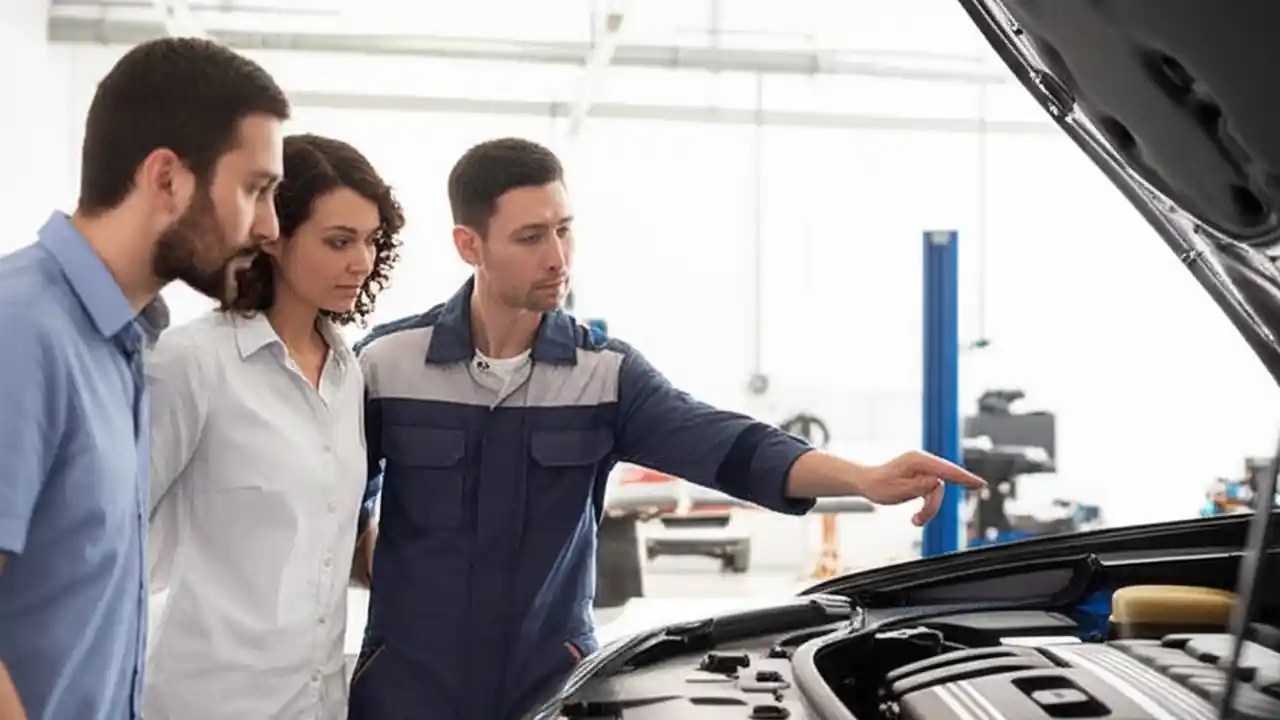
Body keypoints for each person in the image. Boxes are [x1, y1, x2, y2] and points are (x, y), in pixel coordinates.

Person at [347, 137, 987, 720]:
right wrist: (402, 584)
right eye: (531, 237)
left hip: (546, 685)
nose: (557, 258)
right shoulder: (388, 364)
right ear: (470, 245)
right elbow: (335, 499)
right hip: (408, 691)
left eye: (565, 231)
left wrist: (864, 478)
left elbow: (728, 445)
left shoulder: (605, 375)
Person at [0, 38, 289, 720]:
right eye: (256, 190)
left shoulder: (123, 344)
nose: (270, 227)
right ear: (166, 180)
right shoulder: (22, 333)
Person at [142, 134, 405, 719]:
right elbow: (105, 534)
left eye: (369, 241)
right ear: (272, 237)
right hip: (205, 703)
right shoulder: (193, 362)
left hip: (316, 703)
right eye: (339, 242)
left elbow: (332, 532)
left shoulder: (347, 372)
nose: (361, 261)